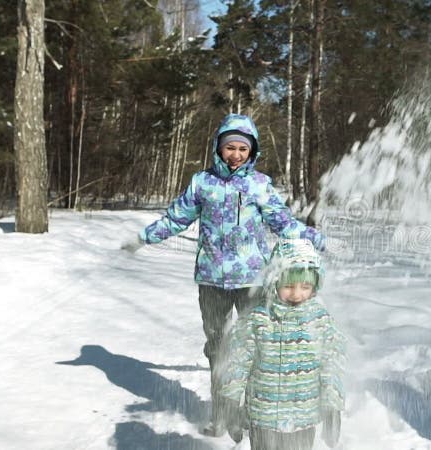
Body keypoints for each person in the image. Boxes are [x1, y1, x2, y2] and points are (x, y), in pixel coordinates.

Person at [136, 113, 325, 436]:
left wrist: (310, 236)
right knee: (219, 347)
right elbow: (177, 218)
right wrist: (145, 236)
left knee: (255, 345)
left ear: (252, 152)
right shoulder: (202, 183)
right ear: (218, 149)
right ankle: (223, 414)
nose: (235, 154)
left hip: (252, 280)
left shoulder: (259, 184)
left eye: (242, 149)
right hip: (211, 280)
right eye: (230, 147)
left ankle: (254, 410)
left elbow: (282, 223)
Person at [219, 239, 345, 449]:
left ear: (315, 285)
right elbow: (238, 361)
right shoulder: (257, 319)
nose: (297, 294)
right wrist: (230, 402)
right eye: (288, 286)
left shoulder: (321, 321)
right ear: (274, 282)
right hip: (263, 419)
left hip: (303, 419)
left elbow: (332, 366)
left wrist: (333, 408)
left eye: (305, 286)